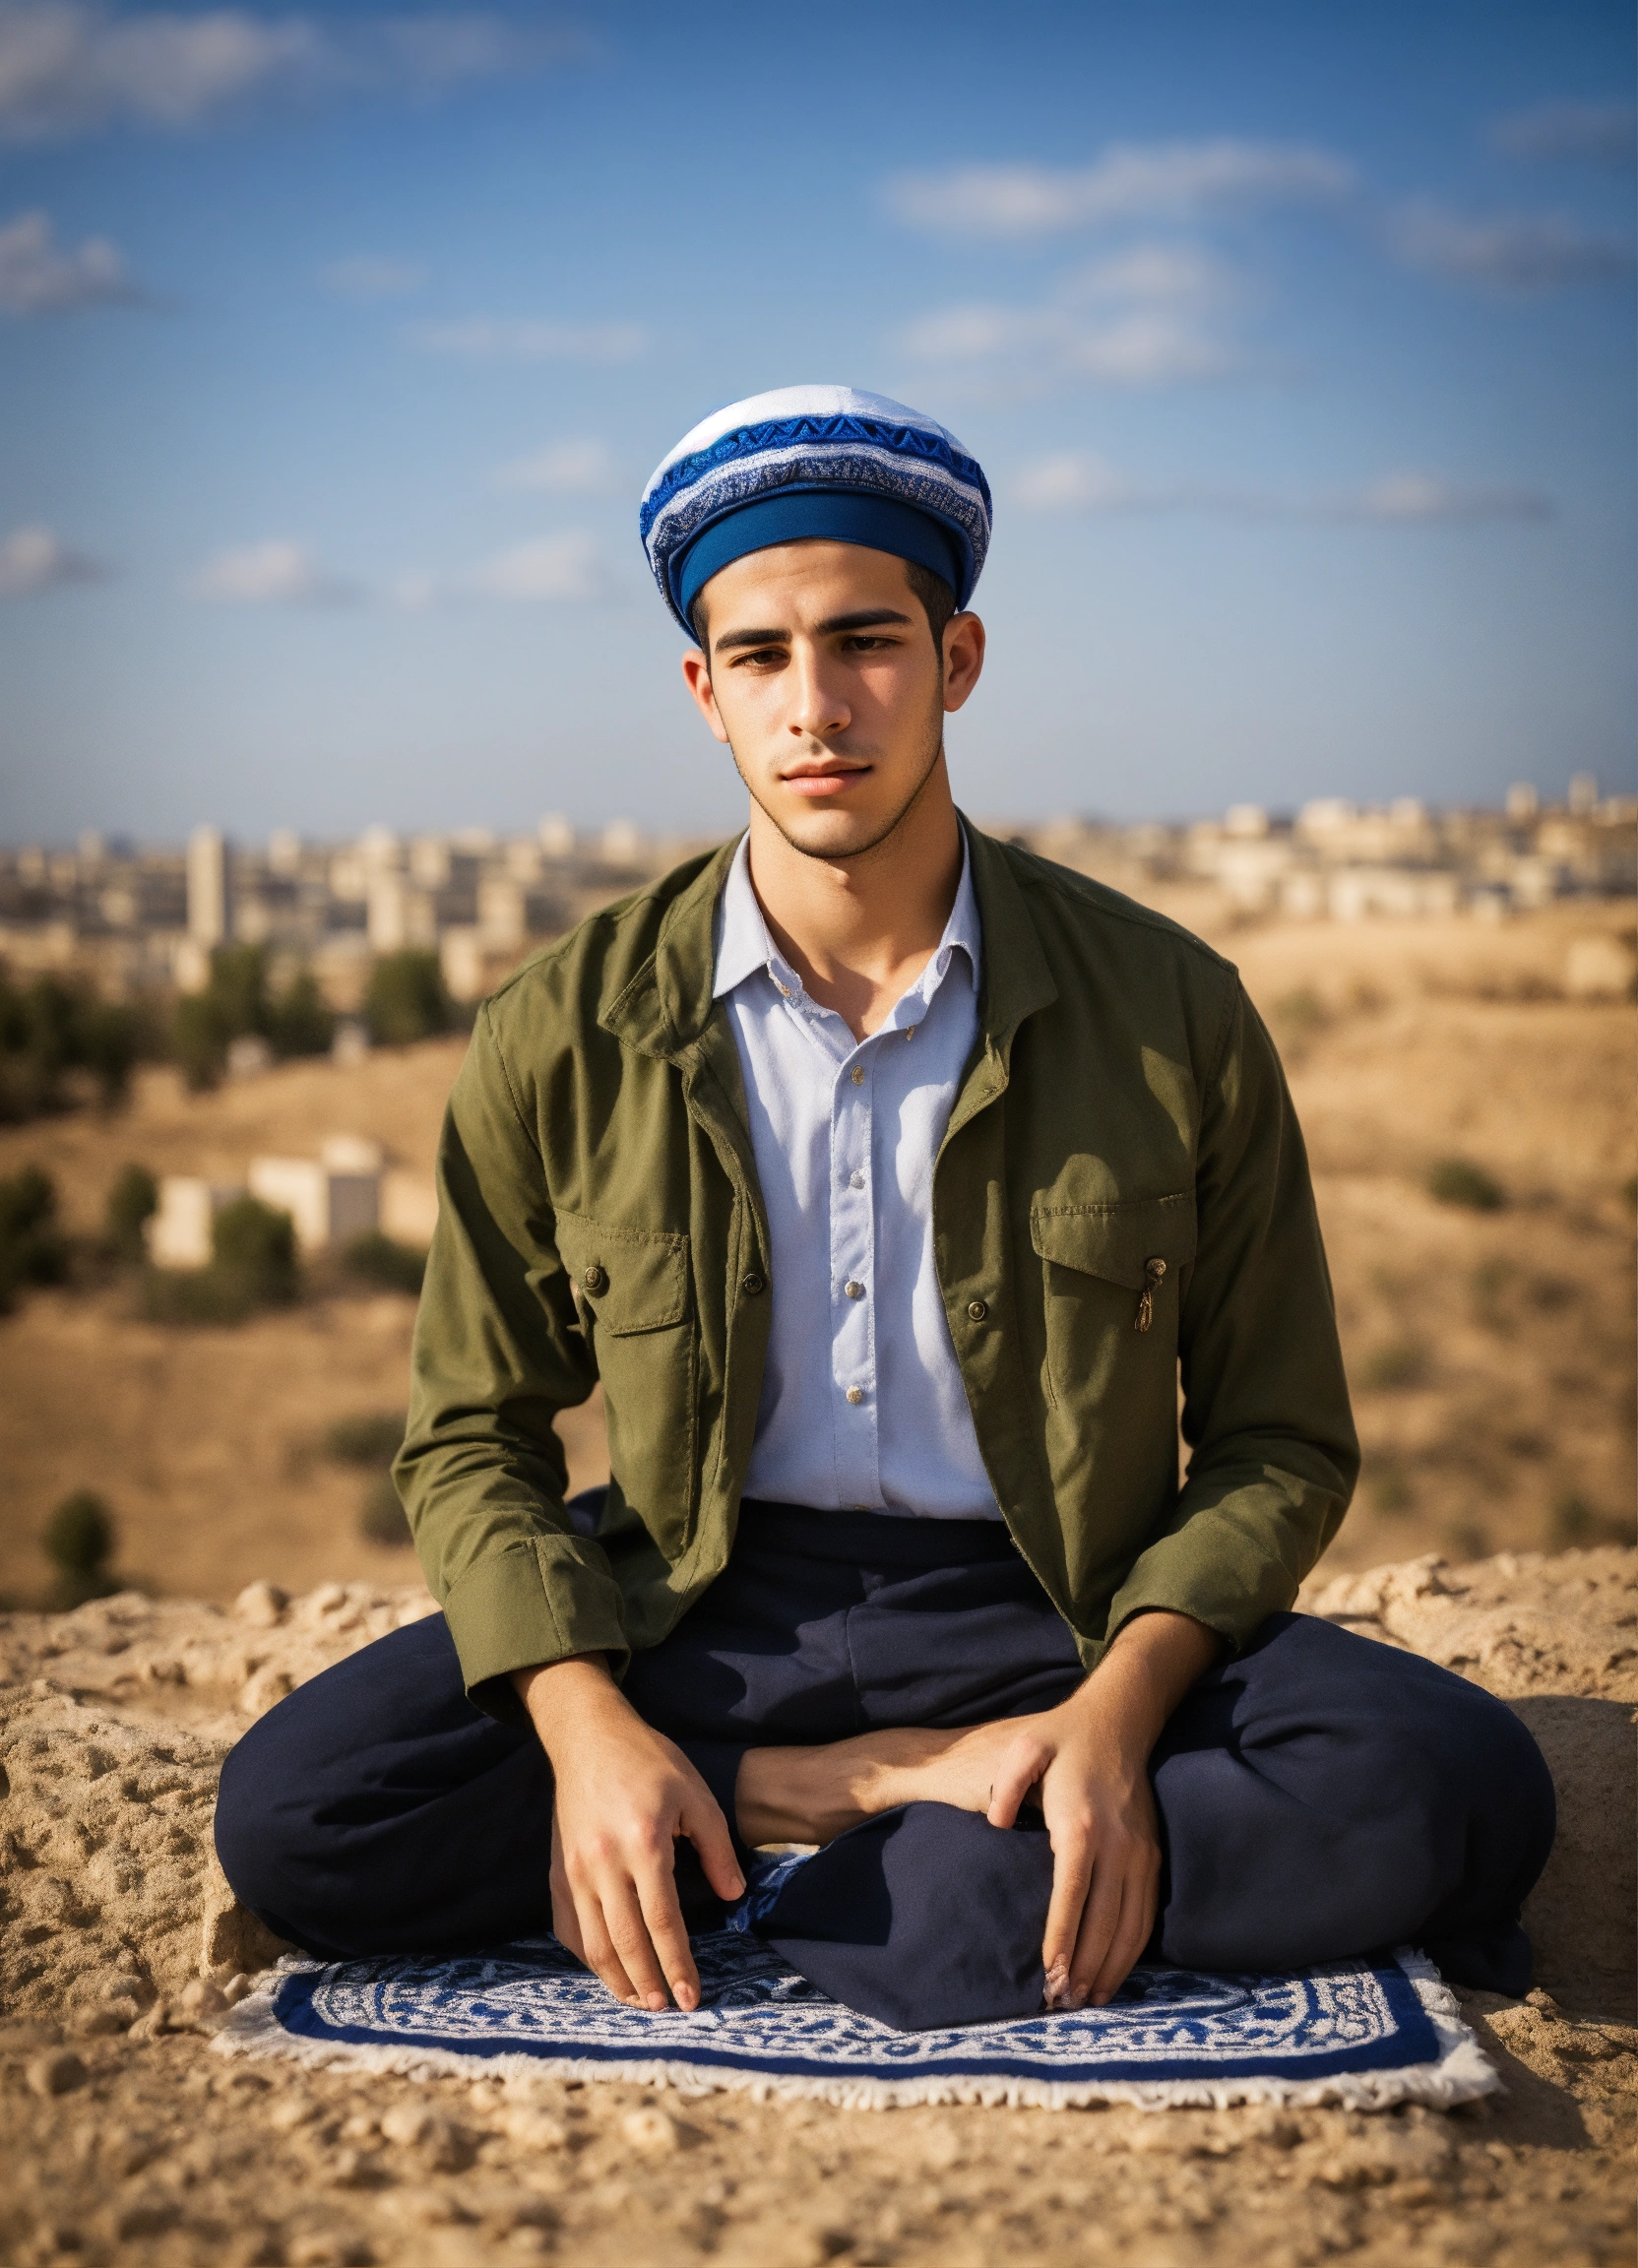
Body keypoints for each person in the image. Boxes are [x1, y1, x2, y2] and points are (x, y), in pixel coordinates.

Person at [216, 386, 1553, 2033]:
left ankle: (950, 1855)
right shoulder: (557, 1031)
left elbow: (1281, 1440)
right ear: (704, 693)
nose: (820, 708)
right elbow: (469, 1435)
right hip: (696, 1609)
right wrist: (588, 1729)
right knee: (299, 1814)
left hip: (1057, 1604)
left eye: (867, 643)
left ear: (958, 661)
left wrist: (1121, 1721)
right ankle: (835, 1809)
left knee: (1466, 1785)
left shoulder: (1171, 1009)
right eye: (764, 660)